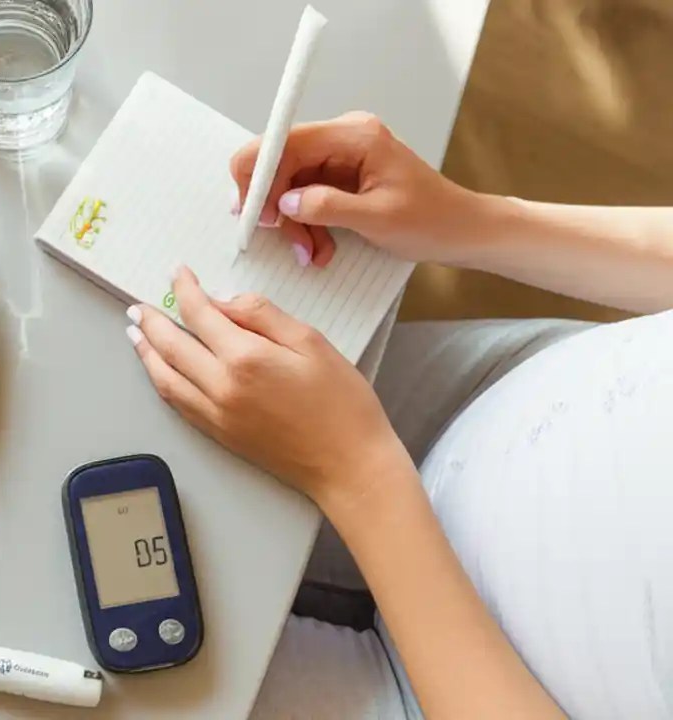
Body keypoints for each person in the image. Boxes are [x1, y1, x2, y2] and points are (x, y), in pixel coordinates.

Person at [123, 112, 673, 719]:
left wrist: (355, 472)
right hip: (507, 391)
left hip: (438, 691)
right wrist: (467, 220)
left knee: (128, 680)